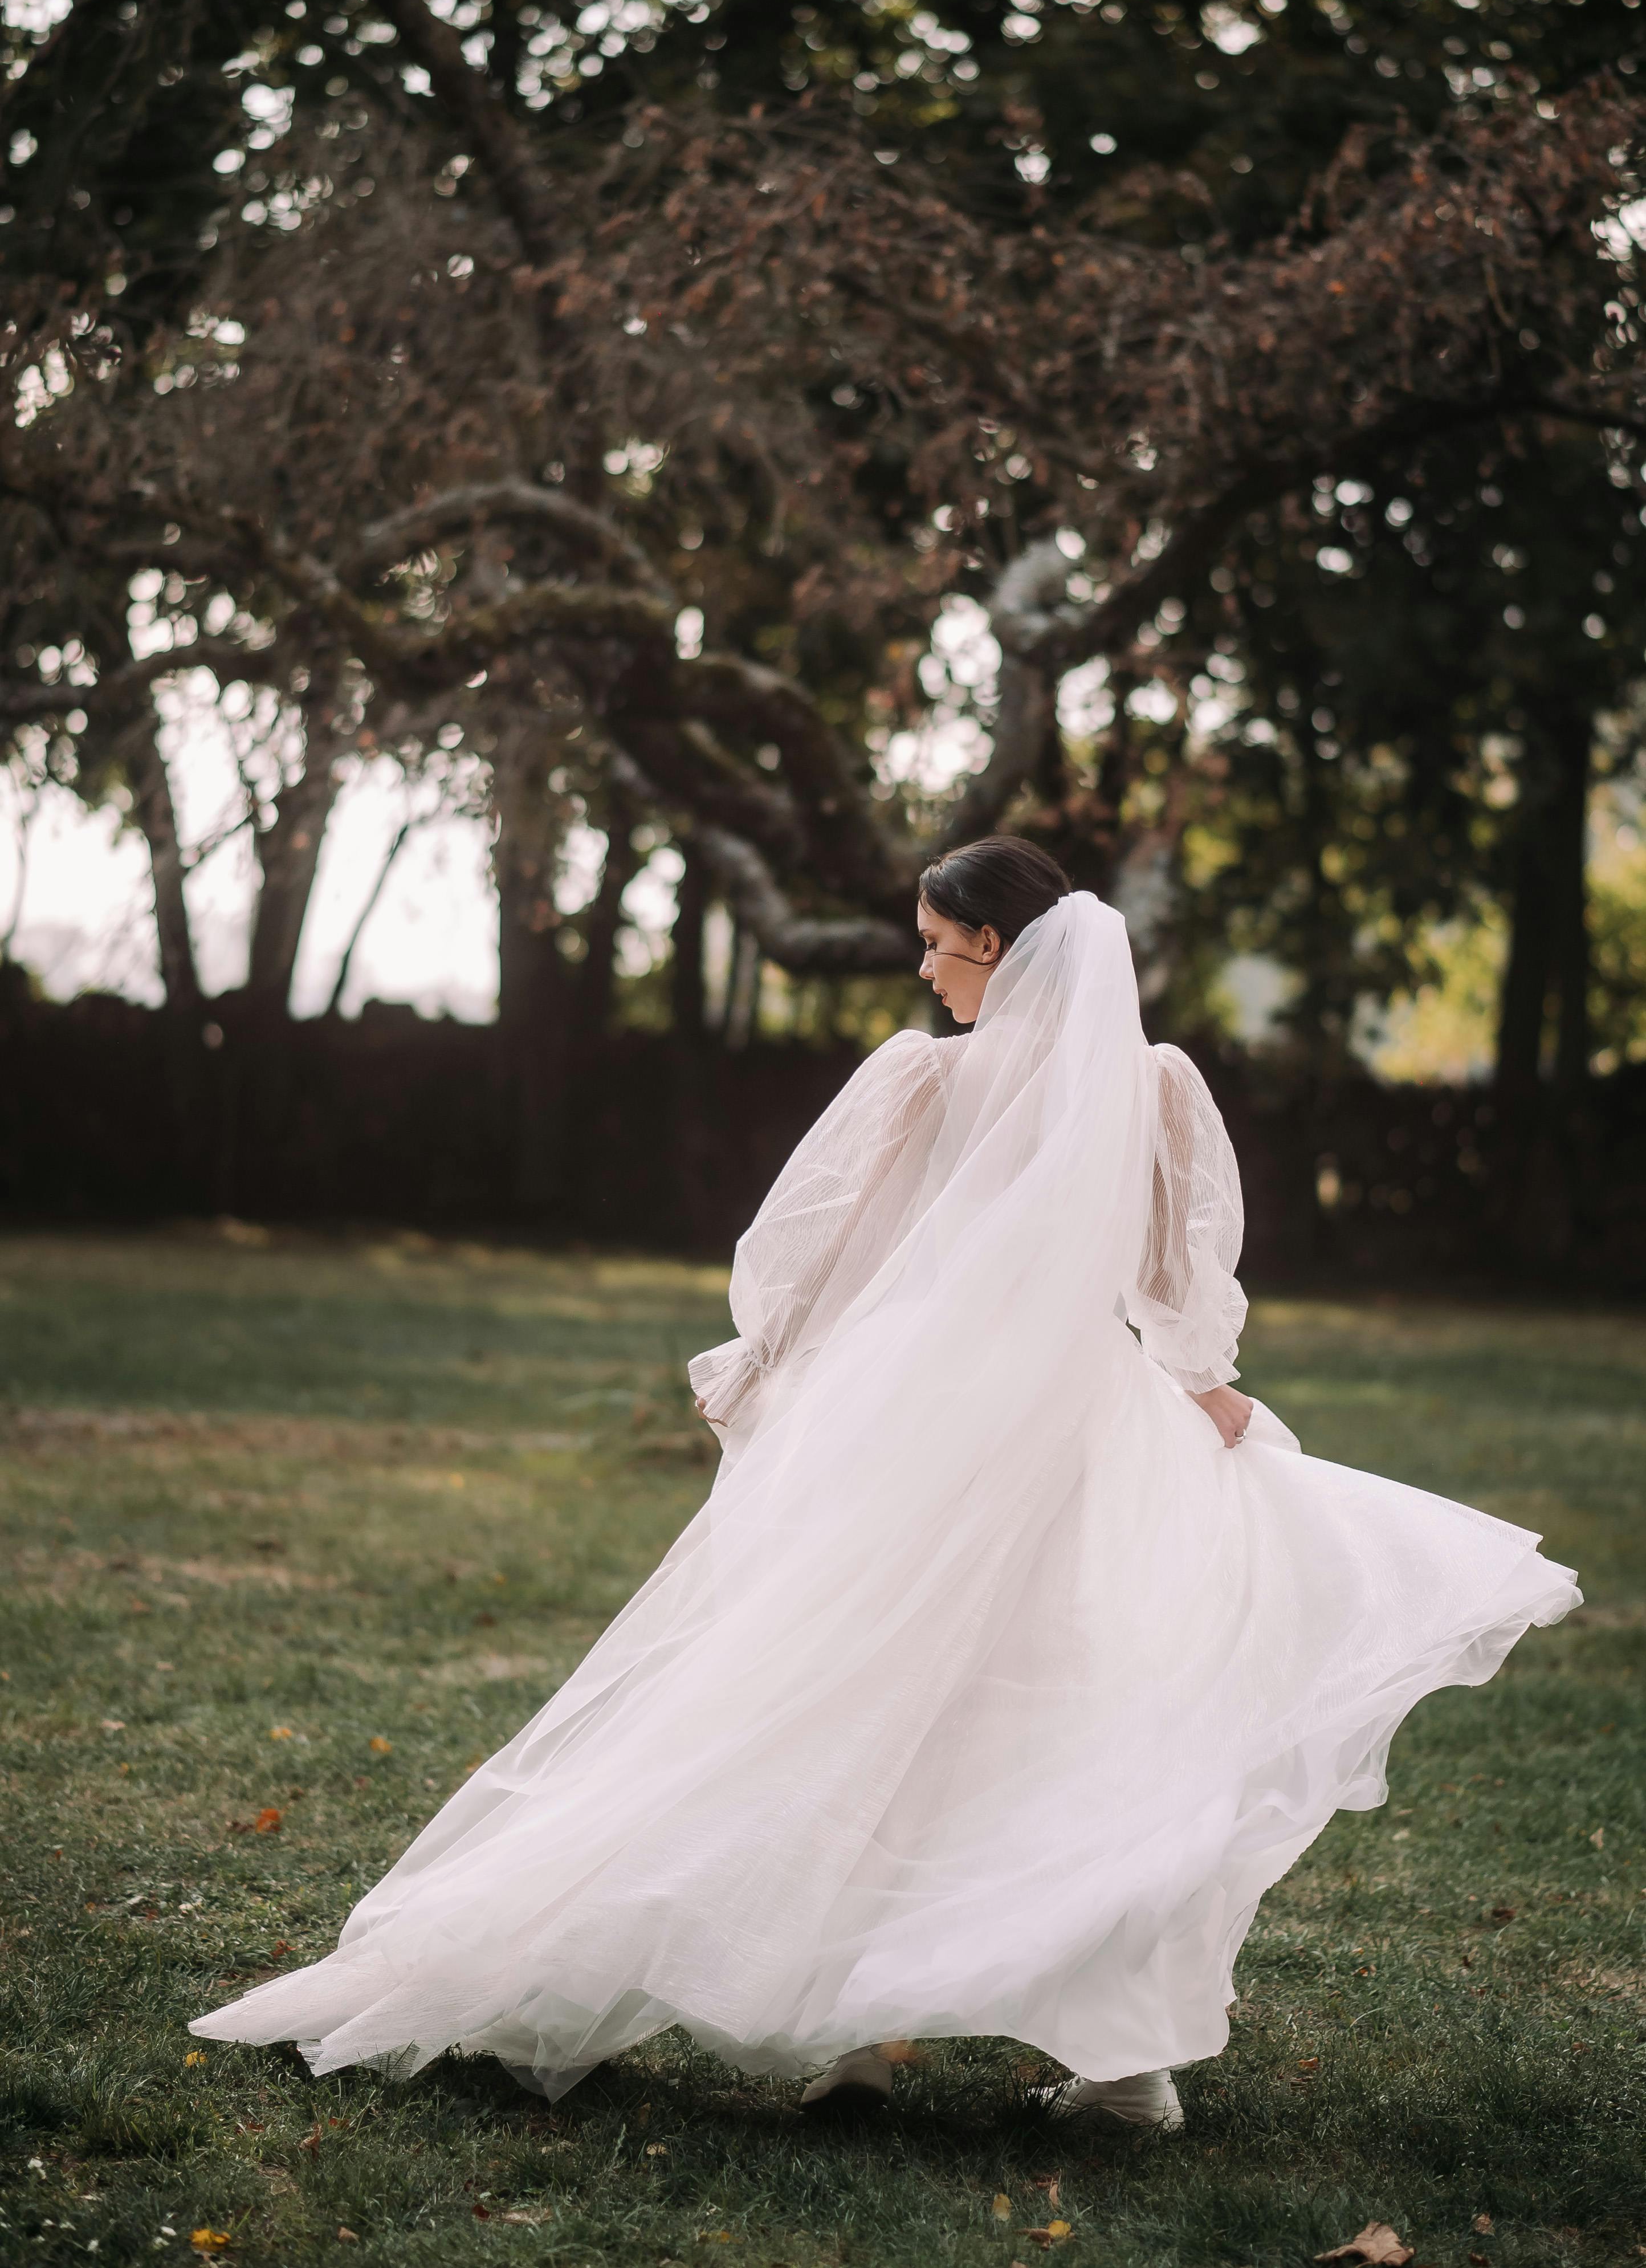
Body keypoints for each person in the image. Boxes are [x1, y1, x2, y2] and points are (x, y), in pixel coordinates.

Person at [191, 836, 1579, 2134]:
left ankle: (891, 2033)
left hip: (915, 1410)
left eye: (937, 944)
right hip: (1072, 1416)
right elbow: (1180, 1272)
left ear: (995, 945)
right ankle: (1103, 2061)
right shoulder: (1149, 1084)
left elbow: (802, 1248)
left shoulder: (926, 1079)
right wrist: (1203, 1381)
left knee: (868, 1697)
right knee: (1088, 1715)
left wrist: (771, 1363)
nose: (925, 970)